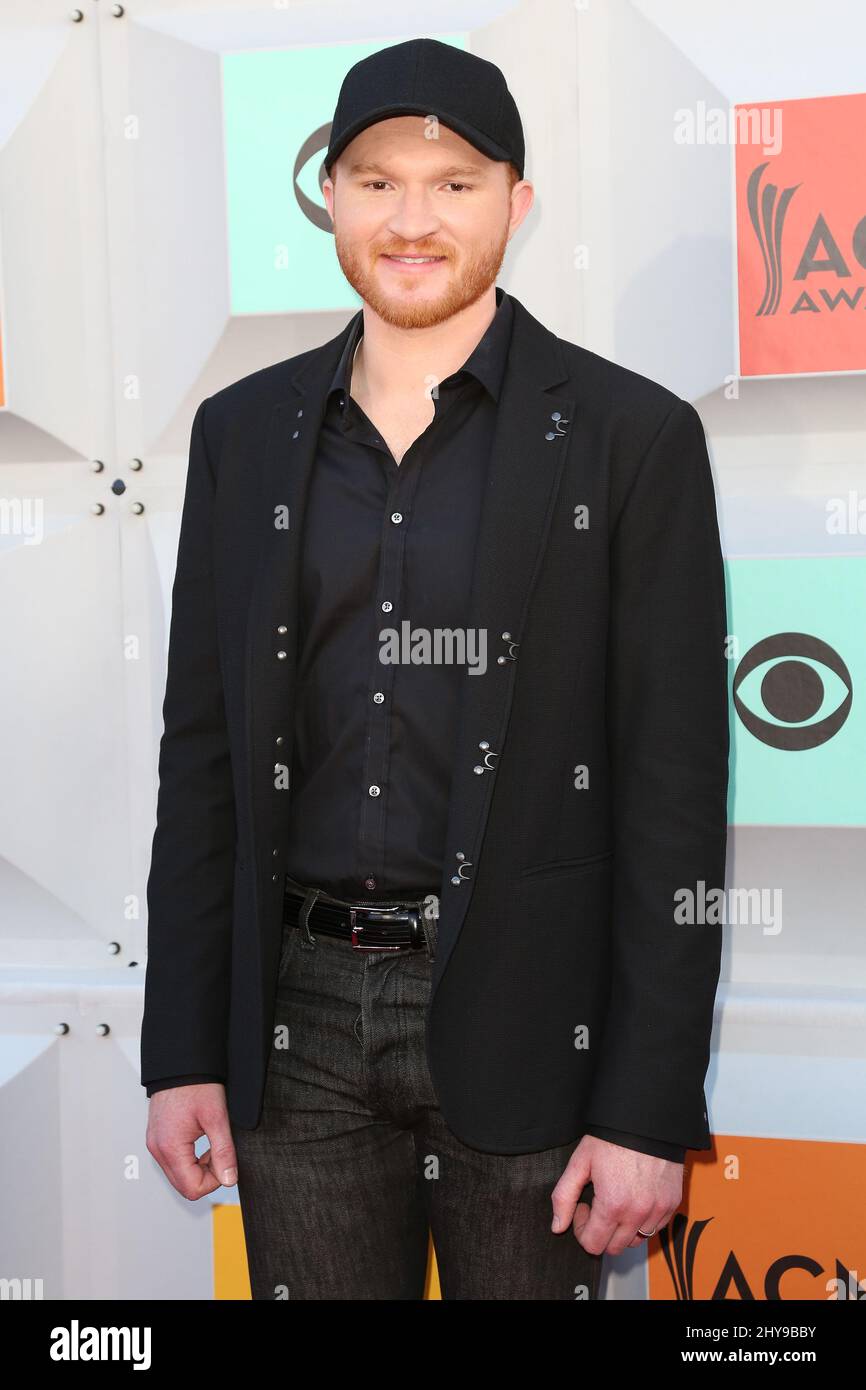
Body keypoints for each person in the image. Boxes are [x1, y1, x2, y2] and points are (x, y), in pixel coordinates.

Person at [141, 38, 729, 1300]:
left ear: (516, 203)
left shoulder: (632, 440)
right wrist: (182, 1046)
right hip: (292, 1025)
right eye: (375, 181)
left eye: (453, 183)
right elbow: (202, 759)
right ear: (332, 200)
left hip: (530, 1025)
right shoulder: (239, 435)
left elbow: (674, 799)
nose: (411, 219)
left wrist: (645, 1104)